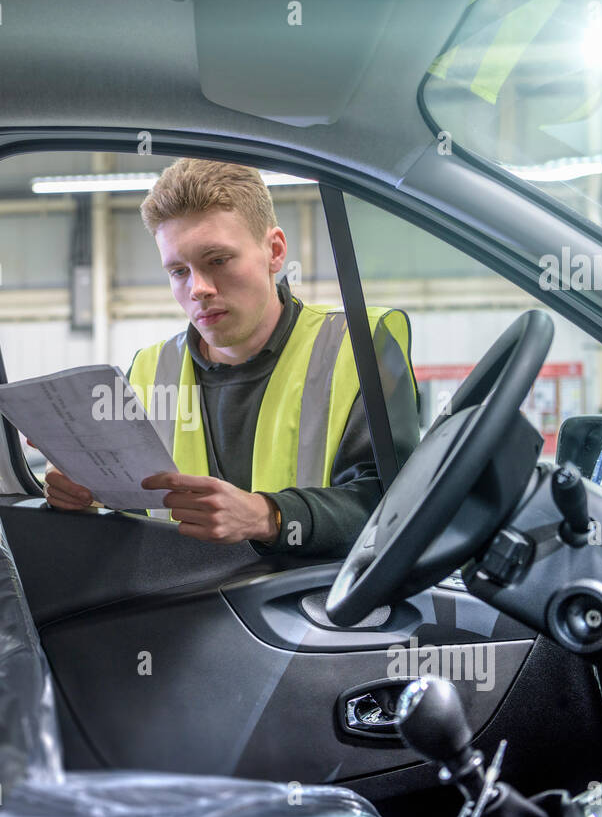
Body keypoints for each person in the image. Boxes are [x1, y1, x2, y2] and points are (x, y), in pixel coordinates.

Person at [44, 158, 419, 558]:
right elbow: (141, 507)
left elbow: (396, 508)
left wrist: (270, 516)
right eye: (178, 271)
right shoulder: (150, 370)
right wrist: (87, 493)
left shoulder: (357, 345)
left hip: (315, 608)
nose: (199, 288)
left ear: (274, 251)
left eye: (217, 261)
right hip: (181, 607)